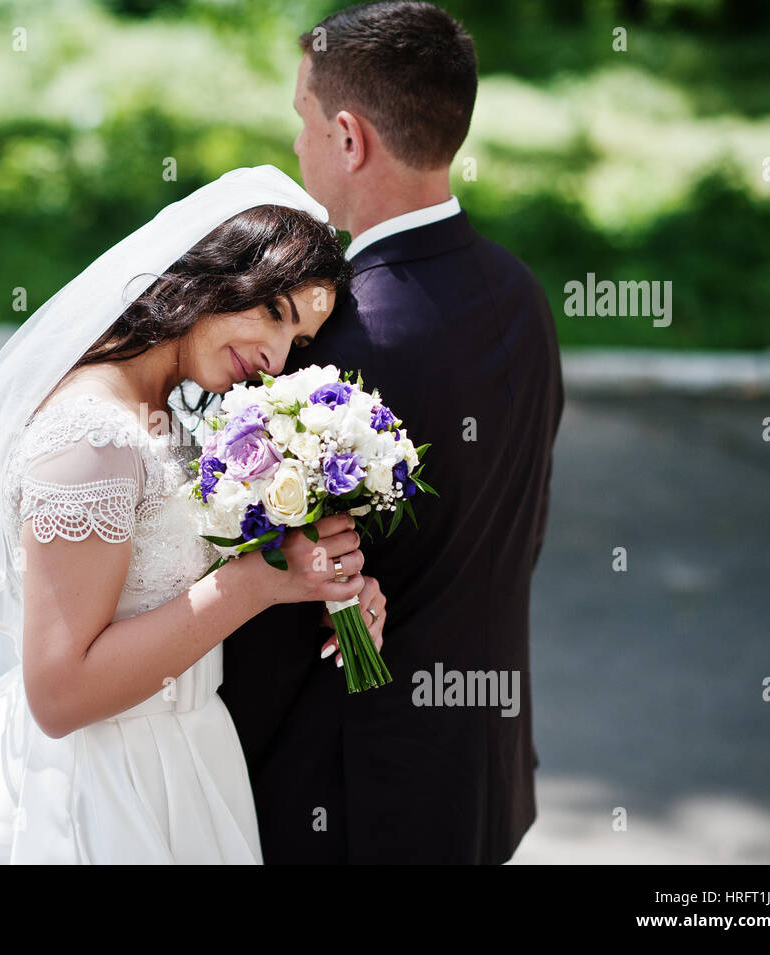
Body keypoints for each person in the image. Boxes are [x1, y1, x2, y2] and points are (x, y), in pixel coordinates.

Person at [0, 165, 385, 864]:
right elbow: (59, 692)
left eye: (298, 344)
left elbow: (173, 595)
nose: (274, 357)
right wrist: (260, 583)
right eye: (274, 312)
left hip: (185, 765)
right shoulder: (91, 433)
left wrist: (314, 575)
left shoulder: (172, 422)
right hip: (90, 790)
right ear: (211, 271)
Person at [219, 2, 565, 864]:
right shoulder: (520, 293)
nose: (293, 147)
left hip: (345, 797)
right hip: (479, 774)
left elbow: (280, 613)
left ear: (347, 137)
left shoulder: (330, 347)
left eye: (301, 120)